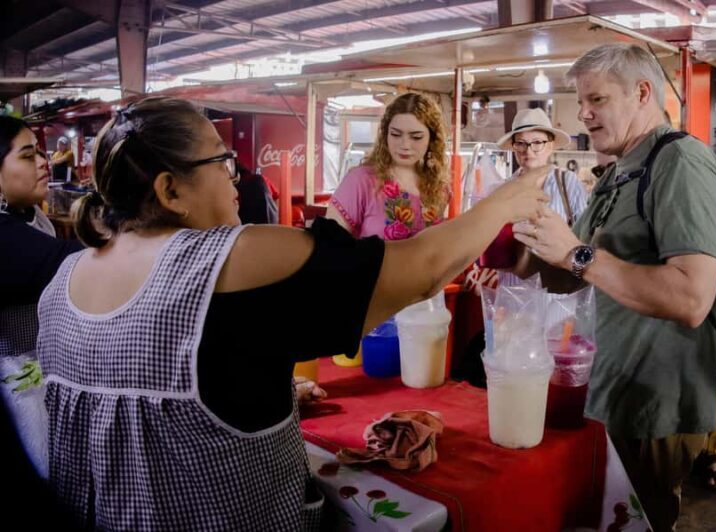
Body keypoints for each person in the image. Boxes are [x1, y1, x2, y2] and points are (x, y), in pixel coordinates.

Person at [36, 96, 550, 530]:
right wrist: (504, 202)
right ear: (171, 191)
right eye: (223, 164)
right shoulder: (233, 255)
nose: (237, 177)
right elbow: (422, 269)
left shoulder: (64, 280)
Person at [513, 43, 716, 531]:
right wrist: (538, 242)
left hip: (652, 409)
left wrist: (575, 253)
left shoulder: (681, 163)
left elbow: (691, 297)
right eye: (581, 103)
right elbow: (577, 278)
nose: (584, 114)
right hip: (607, 394)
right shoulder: (617, 174)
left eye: (597, 100)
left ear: (641, 92)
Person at [0, 116, 83, 478]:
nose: (43, 162)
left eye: (41, 153)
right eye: (27, 155)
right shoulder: (4, 237)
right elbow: (70, 264)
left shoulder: (32, 217)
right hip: (16, 385)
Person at [326, 92, 449, 240]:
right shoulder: (361, 181)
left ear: (432, 139)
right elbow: (329, 245)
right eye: (396, 135)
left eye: (416, 137)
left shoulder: (440, 188)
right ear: (385, 135)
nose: (405, 145)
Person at [495, 107, 588, 286]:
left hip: (557, 294)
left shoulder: (567, 183)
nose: (528, 151)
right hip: (514, 290)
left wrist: (580, 279)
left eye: (537, 142)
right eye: (521, 143)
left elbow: (586, 240)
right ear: (513, 147)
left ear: (550, 145)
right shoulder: (503, 189)